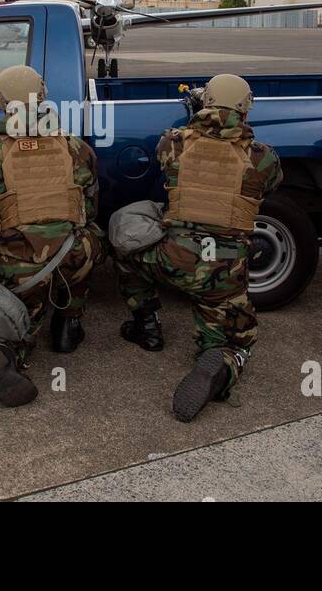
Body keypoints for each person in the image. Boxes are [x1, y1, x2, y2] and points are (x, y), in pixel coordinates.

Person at [115, 74, 281, 422]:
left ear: (204, 102)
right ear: (245, 107)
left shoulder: (173, 142)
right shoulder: (263, 157)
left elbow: (168, 165)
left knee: (126, 252)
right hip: (225, 275)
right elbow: (273, 182)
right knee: (238, 340)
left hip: (174, 260)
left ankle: (147, 325)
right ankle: (221, 363)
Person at [0, 66, 106, 407]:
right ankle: (68, 327)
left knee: (16, 316)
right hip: (74, 255)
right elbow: (91, 207)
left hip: (22, 264)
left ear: (0, 101)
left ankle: (4, 348)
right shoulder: (76, 148)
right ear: (42, 96)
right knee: (89, 236)